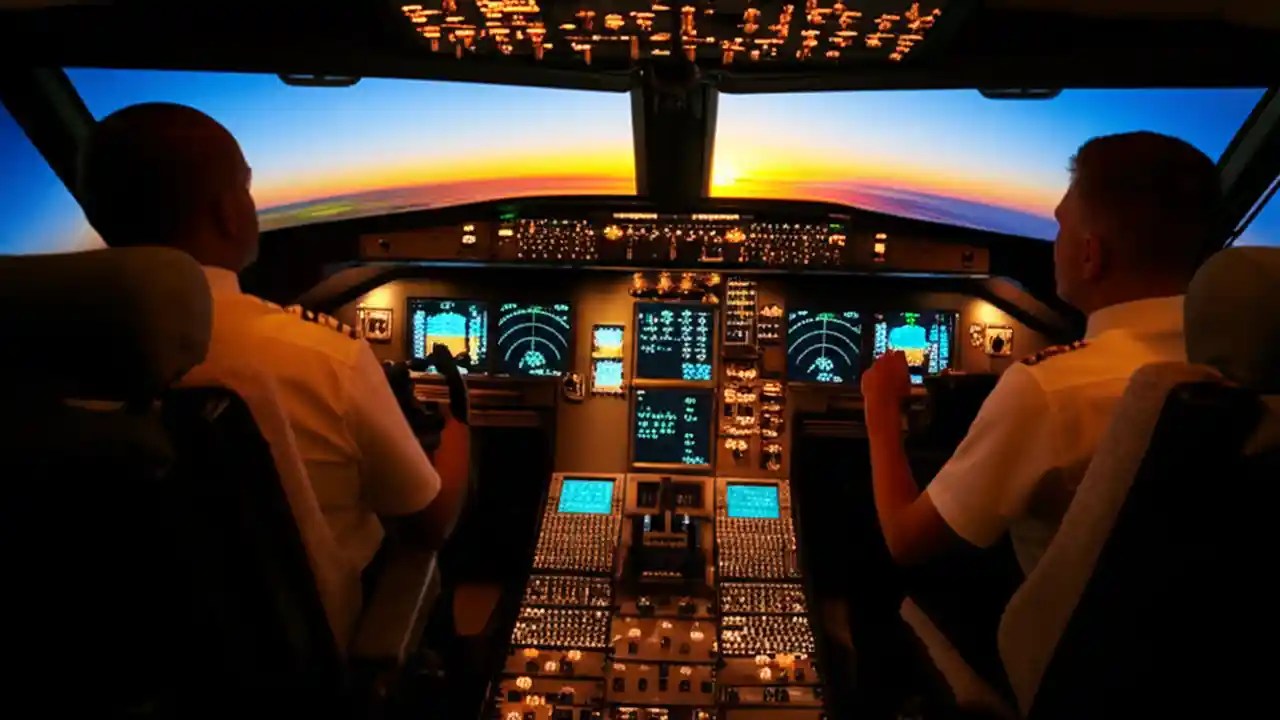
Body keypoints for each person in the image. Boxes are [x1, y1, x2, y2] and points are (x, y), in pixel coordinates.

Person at [78, 102, 470, 636]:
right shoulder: (322, 357)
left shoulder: (47, 364)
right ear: (227, 212)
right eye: (246, 187)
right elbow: (429, 523)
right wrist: (456, 427)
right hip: (311, 662)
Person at [862, 131, 1222, 575]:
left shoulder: (1049, 390)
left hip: (1058, 638)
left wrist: (880, 410)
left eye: (1061, 226)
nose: (1055, 243)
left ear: (1091, 255)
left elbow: (907, 541)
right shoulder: (1243, 361)